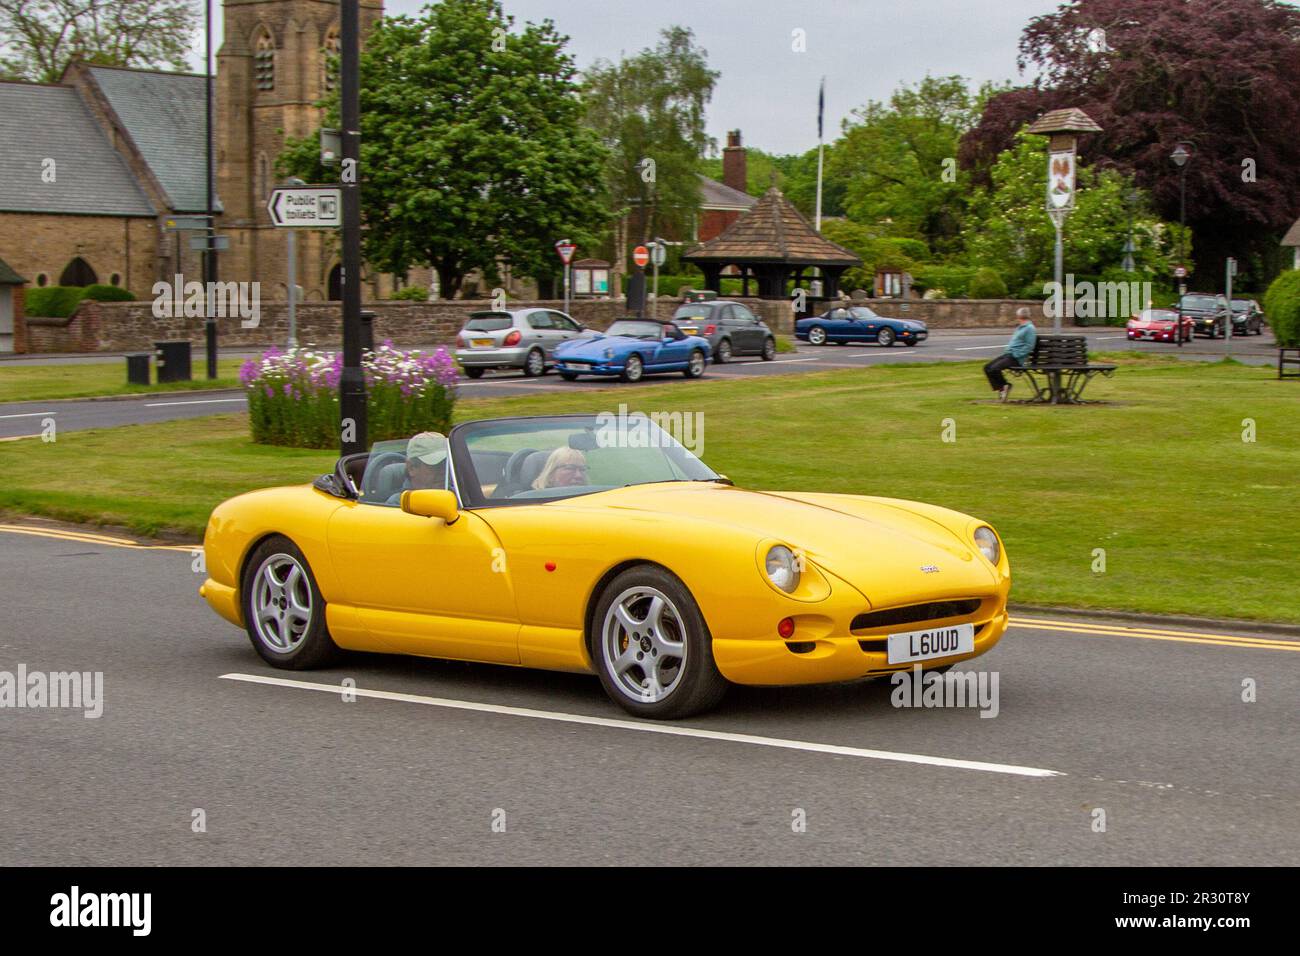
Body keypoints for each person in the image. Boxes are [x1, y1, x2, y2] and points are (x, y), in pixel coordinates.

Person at [984, 307, 1037, 402]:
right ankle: (1003, 387)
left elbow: (1029, 346)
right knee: (987, 367)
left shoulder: (1030, 328)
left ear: (1019, 316)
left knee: (995, 368)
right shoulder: (1020, 327)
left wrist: (1017, 355)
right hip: (1008, 355)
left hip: (1016, 358)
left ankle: (1004, 387)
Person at [386, 431, 447, 505]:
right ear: (411, 468)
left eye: (446, 464)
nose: (443, 470)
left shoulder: (459, 493)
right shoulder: (399, 504)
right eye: (435, 465)